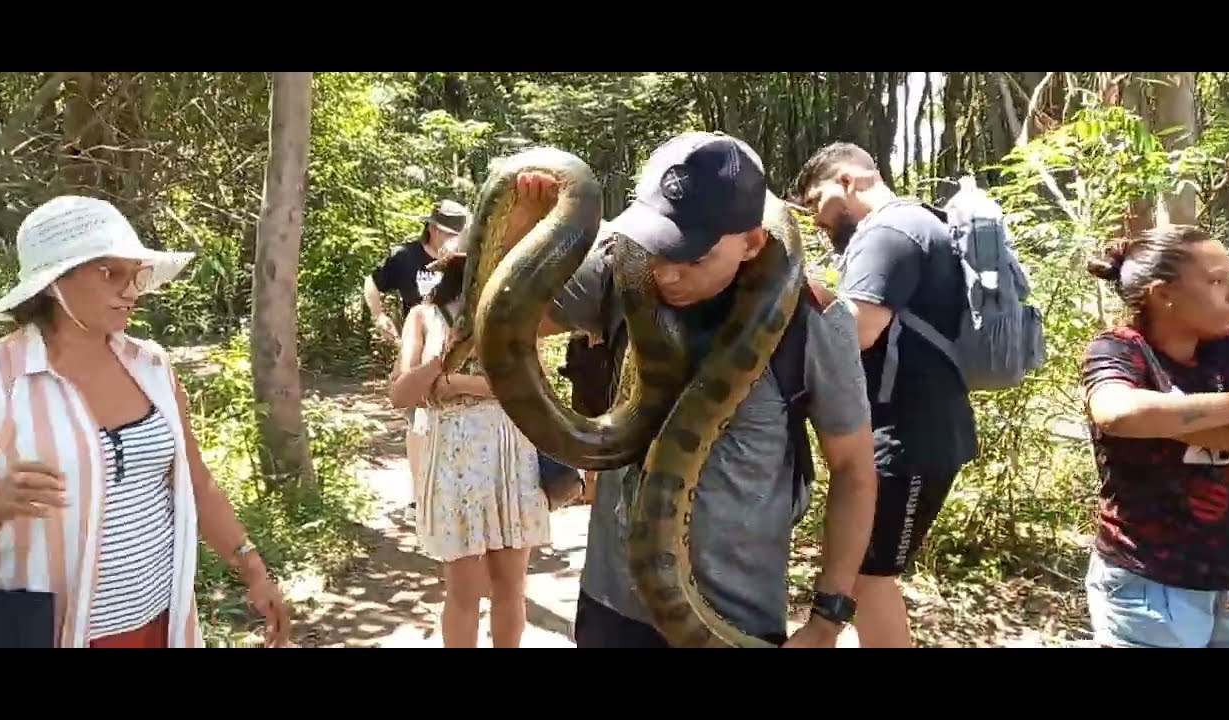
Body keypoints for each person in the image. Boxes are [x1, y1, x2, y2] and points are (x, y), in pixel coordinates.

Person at [511, 130, 878, 648]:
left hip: (735, 619)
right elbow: (520, 324)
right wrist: (527, 235)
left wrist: (827, 618)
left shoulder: (810, 320)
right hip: (612, 605)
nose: (667, 274)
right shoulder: (623, 271)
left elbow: (854, 470)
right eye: (659, 247)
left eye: (694, 257)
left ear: (751, 242)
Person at [0, 195, 290, 648]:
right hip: (49, 632)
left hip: (162, 624)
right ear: (54, 282)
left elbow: (196, 481)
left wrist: (253, 568)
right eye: (109, 273)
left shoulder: (151, 366)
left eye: (134, 274)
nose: (131, 291)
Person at [788, 141, 976, 648]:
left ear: (847, 181)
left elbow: (858, 329)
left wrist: (790, 286)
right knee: (869, 572)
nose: (815, 218)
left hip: (908, 434)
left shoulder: (888, 231)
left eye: (816, 202)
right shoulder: (916, 223)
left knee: (869, 574)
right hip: (916, 427)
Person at [1080, 225, 1229, 648]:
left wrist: (1166, 420)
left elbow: (1143, 416)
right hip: (1149, 586)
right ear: (1163, 294)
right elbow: (1119, 412)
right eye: (1216, 281)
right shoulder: (1120, 350)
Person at [388, 232, 552, 648]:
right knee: (463, 589)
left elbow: (533, 387)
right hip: (454, 460)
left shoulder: (513, 318)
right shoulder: (423, 318)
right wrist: (443, 361)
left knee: (509, 586)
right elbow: (400, 394)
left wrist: (456, 384)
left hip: (509, 455)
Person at [365, 199, 471, 508]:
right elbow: (372, 283)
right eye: (445, 230)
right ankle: (421, 490)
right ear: (432, 227)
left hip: (462, 340)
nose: (449, 236)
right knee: (418, 416)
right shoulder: (405, 256)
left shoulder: (464, 259)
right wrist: (378, 315)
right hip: (420, 339)